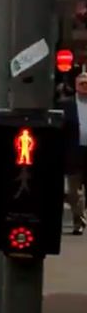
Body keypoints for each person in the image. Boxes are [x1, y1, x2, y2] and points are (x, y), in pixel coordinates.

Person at [60, 72, 87, 235]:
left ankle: (81, 214)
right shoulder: (66, 106)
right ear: (76, 86)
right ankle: (79, 221)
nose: (85, 87)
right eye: (82, 84)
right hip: (73, 154)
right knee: (73, 192)